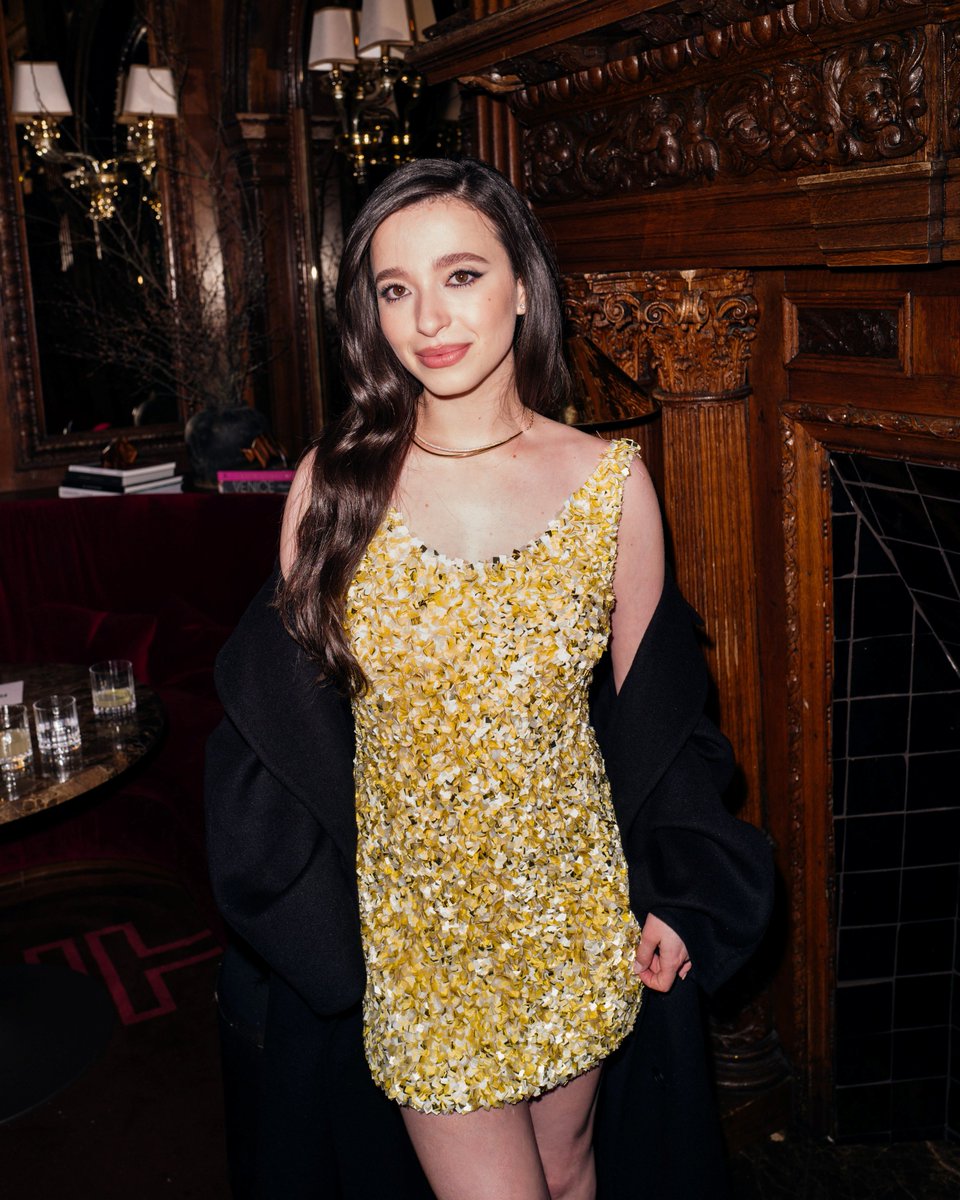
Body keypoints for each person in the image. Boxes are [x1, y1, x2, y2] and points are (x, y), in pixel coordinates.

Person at [205, 157, 773, 1200]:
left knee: (568, 1171)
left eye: (460, 275)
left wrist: (680, 891)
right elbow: (276, 732)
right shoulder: (333, 490)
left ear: (522, 286)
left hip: (575, 916)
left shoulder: (612, 487)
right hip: (417, 940)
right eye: (396, 289)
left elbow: (662, 721)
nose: (429, 317)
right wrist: (311, 926)